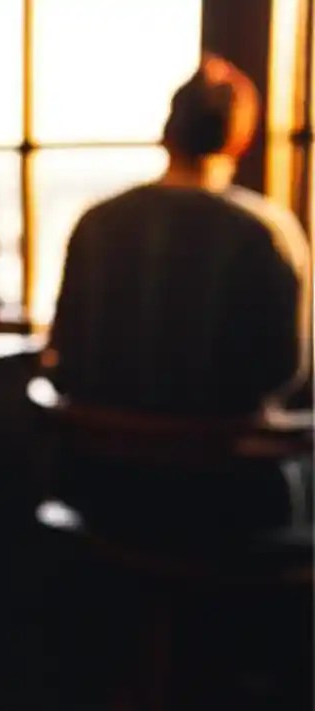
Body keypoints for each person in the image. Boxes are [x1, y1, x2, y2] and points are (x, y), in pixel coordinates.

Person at [49, 57, 312, 538]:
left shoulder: (99, 222)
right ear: (240, 140)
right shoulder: (265, 231)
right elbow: (285, 371)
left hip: (100, 484)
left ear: (166, 134)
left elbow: (64, 358)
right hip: (226, 496)